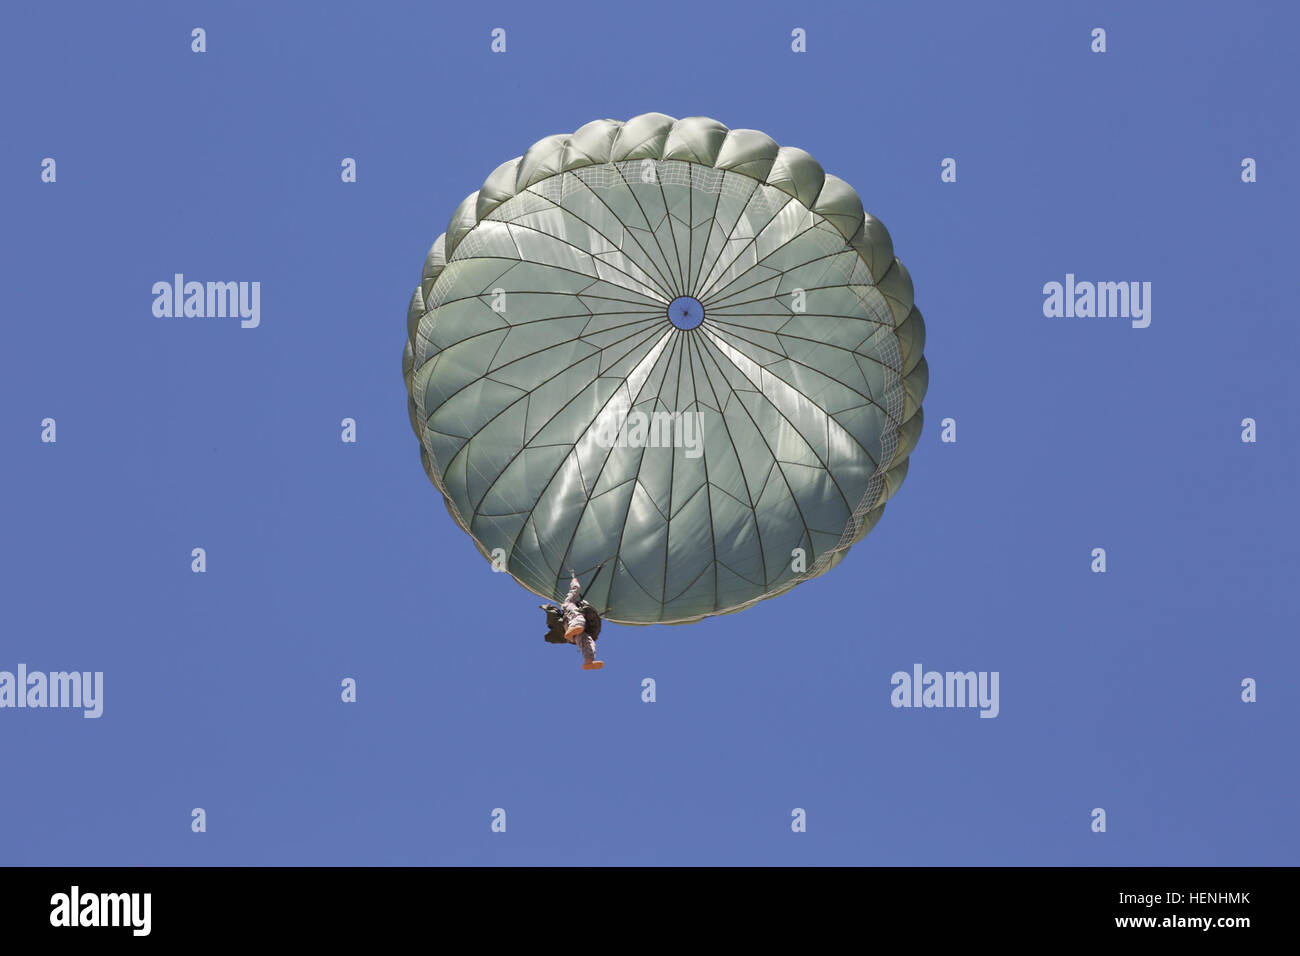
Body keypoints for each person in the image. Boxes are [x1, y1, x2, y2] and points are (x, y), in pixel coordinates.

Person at [560, 573, 603, 670]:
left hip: (573, 631)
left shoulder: (579, 611)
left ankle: (589, 661)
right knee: (578, 616)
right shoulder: (569, 601)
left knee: (588, 640)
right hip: (572, 623)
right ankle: (573, 629)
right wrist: (574, 581)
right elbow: (575, 590)